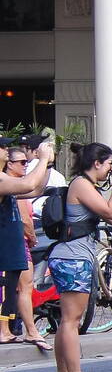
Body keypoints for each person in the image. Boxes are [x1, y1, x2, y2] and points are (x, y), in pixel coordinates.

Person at [48, 142, 112, 372]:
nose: (110, 169)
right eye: (108, 164)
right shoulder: (81, 184)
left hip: (70, 256)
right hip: (73, 257)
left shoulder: (85, 184)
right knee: (73, 320)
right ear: (96, 163)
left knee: (67, 319)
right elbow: (111, 214)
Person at [0, 145, 51, 356]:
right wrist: (43, 158)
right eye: (1, 146)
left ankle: (7, 330)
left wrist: (47, 163)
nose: (4, 149)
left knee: (10, 292)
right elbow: (28, 184)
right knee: (3, 292)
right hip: (3, 249)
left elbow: (35, 189)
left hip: (10, 248)